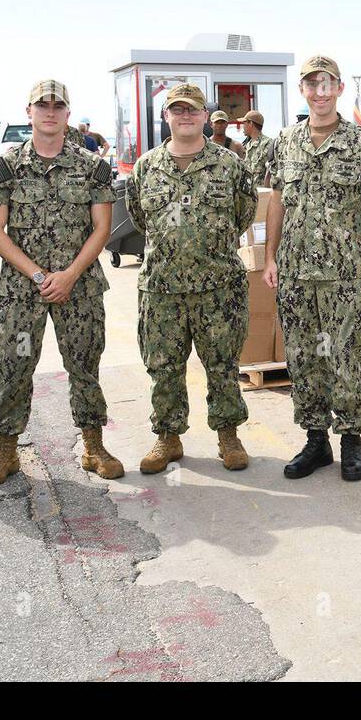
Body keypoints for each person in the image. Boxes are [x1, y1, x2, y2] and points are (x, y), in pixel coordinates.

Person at [0, 80, 121, 487]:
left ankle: (94, 445)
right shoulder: (5, 167)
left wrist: (70, 274)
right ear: (29, 112)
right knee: (16, 366)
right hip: (25, 290)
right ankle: (6, 450)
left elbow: (102, 227)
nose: (50, 111)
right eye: (42, 104)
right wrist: (40, 275)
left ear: (68, 114)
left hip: (80, 288)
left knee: (84, 365)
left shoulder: (91, 165)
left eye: (58, 105)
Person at [264, 55, 361, 482]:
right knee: (303, 357)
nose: (320, 91)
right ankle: (316, 440)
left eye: (327, 83)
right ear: (302, 89)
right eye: (312, 83)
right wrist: (270, 257)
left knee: (347, 357)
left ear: (339, 88)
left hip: (346, 274)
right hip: (296, 274)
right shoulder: (285, 142)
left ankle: (352, 440)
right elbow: (277, 201)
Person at [125, 83, 255, 474]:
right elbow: (139, 217)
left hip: (218, 287)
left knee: (222, 364)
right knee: (163, 366)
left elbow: (243, 214)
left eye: (192, 110)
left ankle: (228, 435)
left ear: (204, 116)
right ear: (166, 116)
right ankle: (168, 437)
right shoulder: (147, 166)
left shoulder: (229, 165)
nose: (185, 116)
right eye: (177, 109)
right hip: (162, 287)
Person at [242, 109, 272, 186]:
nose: (243, 126)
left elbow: (271, 171)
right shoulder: (247, 145)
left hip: (262, 193)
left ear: (251, 123)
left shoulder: (268, 144)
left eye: (244, 123)